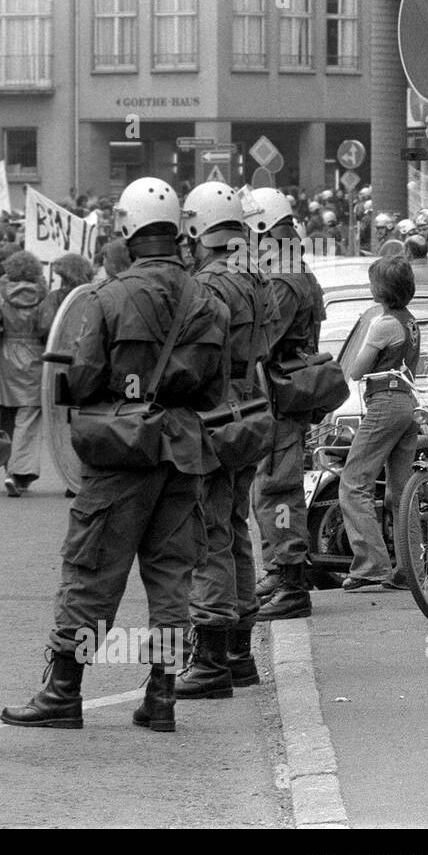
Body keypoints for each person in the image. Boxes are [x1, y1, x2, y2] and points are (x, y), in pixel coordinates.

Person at [0, 177, 228, 734]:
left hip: (122, 452)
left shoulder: (109, 297)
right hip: (183, 451)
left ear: (128, 230)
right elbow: (214, 392)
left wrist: (115, 391)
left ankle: (63, 691)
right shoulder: (208, 301)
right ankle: (162, 695)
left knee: (92, 573)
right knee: (171, 579)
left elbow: (83, 378)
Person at [175, 182, 278, 699]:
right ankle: (239, 655)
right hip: (249, 409)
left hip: (213, 413)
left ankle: (212, 659)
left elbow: (193, 355)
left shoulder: (207, 284)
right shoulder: (256, 275)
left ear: (198, 228)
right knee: (235, 527)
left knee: (208, 532)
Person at [249, 187, 326, 620]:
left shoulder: (282, 278)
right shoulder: (295, 268)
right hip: (285, 393)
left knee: (277, 490)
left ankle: (291, 583)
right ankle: (280, 571)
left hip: (279, 396)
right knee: (272, 486)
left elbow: (262, 341)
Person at [338, 257, 421, 590]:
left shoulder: (383, 323)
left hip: (384, 402)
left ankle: (371, 563)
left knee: (354, 482)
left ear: (383, 289)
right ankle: (410, 569)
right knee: (402, 492)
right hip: (408, 403)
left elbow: (357, 371)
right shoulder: (410, 321)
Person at [0, 249, 55, 497]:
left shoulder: (0, 294)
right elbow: (48, 327)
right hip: (35, 356)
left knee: (7, 413)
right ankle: (18, 471)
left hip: (6, 356)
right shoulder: (44, 295)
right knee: (30, 414)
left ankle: (11, 467)